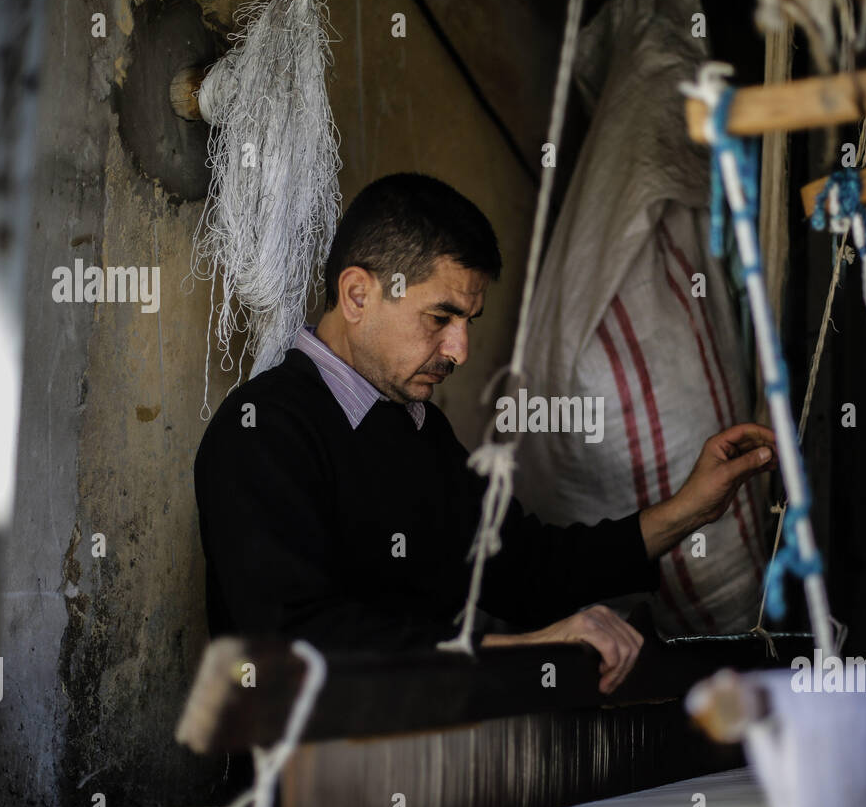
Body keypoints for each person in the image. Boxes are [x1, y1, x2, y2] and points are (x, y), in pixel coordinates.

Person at [194, 173, 776, 694]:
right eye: (439, 317)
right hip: (309, 795)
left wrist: (691, 510)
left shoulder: (418, 428)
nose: (460, 350)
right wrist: (524, 650)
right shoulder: (261, 432)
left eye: (468, 322)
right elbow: (299, 644)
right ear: (357, 295)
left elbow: (525, 571)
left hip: (431, 772)